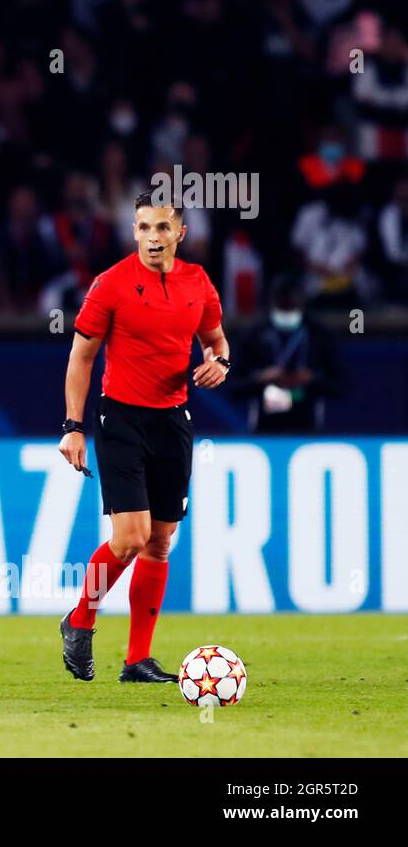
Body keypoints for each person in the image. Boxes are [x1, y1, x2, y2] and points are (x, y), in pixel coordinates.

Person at [57, 189, 229, 683]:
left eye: (161, 227)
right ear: (133, 230)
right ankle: (80, 619)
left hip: (173, 420)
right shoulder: (110, 284)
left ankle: (137, 660)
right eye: (143, 228)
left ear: (181, 232)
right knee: (129, 537)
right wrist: (73, 426)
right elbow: (81, 357)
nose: (152, 238)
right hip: (122, 420)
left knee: (160, 542)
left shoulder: (198, 282)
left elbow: (216, 340)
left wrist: (220, 362)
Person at [234, 274, 340, 433]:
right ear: (272, 303)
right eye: (282, 306)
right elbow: (233, 385)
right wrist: (261, 378)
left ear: (302, 303)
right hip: (265, 427)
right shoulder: (255, 333)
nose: (287, 311)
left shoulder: (318, 334)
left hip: (308, 425)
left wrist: (312, 378)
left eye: (291, 306)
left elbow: (340, 384)